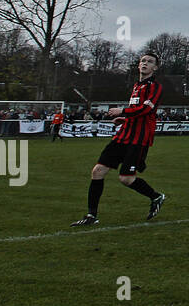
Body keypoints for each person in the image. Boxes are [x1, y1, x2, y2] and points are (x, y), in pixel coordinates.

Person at [71, 53, 167, 226]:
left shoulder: (155, 87)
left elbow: (146, 110)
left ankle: (156, 196)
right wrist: (125, 119)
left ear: (155, 68)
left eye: (150, 62)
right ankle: (91, 216)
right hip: (124, 135)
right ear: (139, 66)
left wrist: (122, 112)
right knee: (97, 171)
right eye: (143, 61)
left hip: (139, 139)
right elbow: (137, 111)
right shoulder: (137, 86)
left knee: (126, 178)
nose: (145, 64)